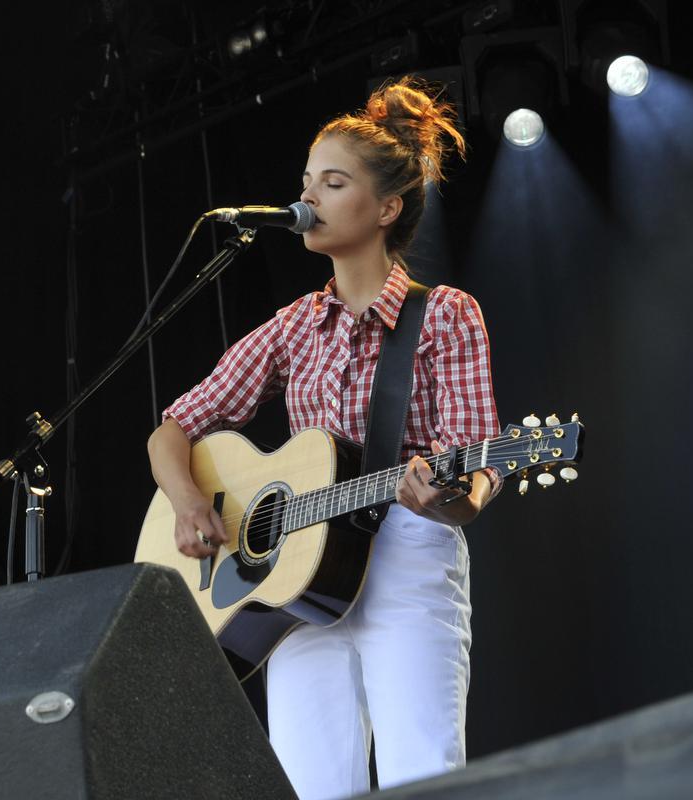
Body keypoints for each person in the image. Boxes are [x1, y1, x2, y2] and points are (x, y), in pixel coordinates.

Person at [146, 77, 502, 800]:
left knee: (422, 778)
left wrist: (447, 500)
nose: (308, 196)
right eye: (307, 181)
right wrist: (189, 503)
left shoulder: (444, 315)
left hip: (406, 558)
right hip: (300, 585)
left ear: (387, 208)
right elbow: (175, 428)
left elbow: (479, 462)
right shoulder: (294, 324)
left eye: (333, 183)